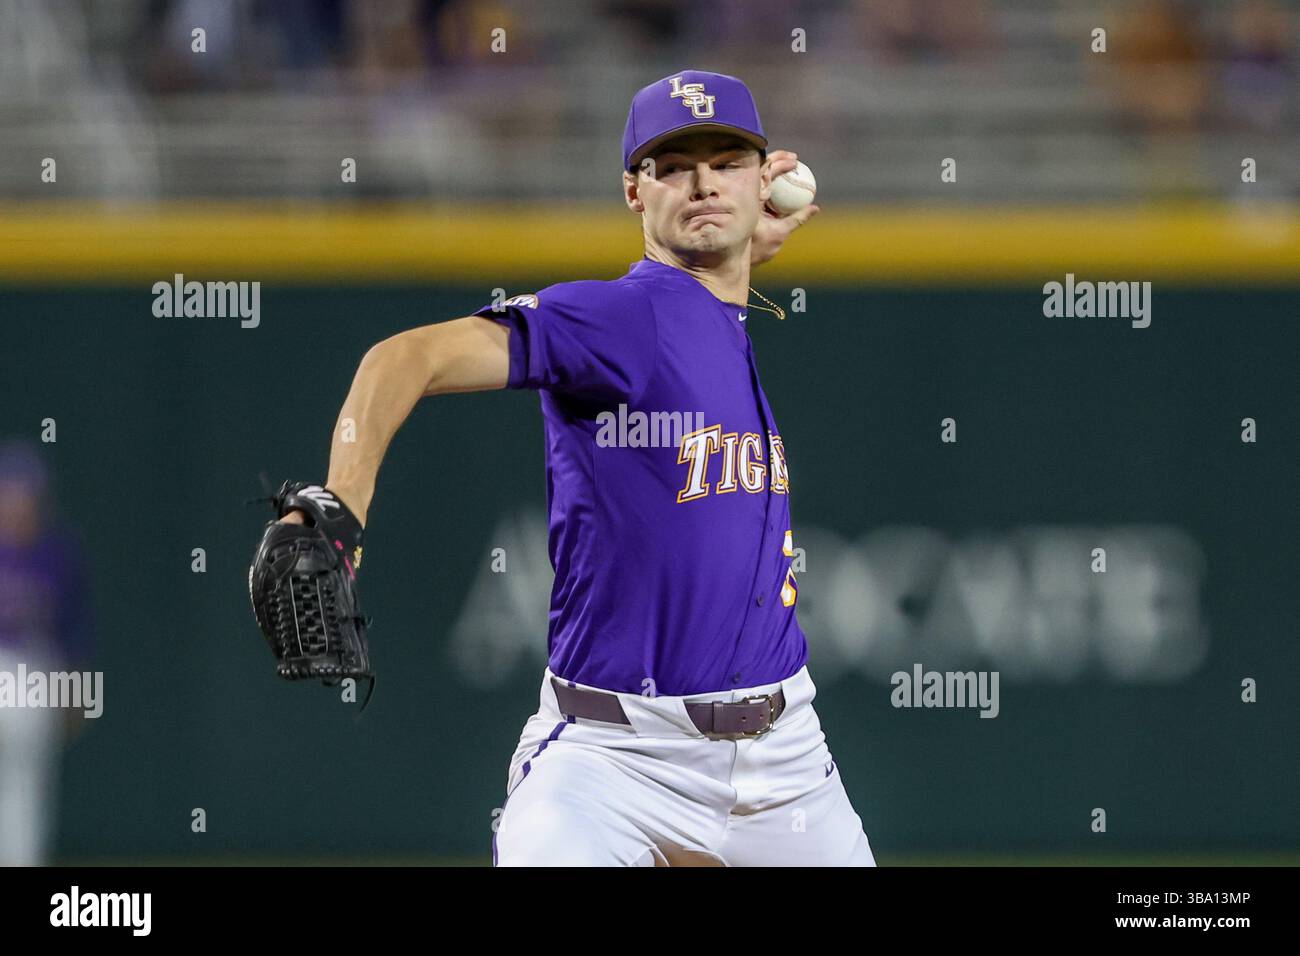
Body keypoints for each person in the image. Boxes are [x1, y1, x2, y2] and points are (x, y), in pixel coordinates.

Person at [278, 70, 874, 866]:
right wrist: (337, 503)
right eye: (673, 166)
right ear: (635, 190)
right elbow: (406, 357)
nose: (701, 182)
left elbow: (701, 300)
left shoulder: (716, 310)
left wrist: (740, 248)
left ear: (763, 177)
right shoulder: (621, 316)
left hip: (786, 760)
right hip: (612, 760)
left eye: (725, 160)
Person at [0, 440, 94, 866]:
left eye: (25, 496)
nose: (18, 505)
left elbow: (76, 633)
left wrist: (77, 694)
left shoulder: (57, 554)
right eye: (11, 494)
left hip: (35, 674)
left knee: (26, 788)